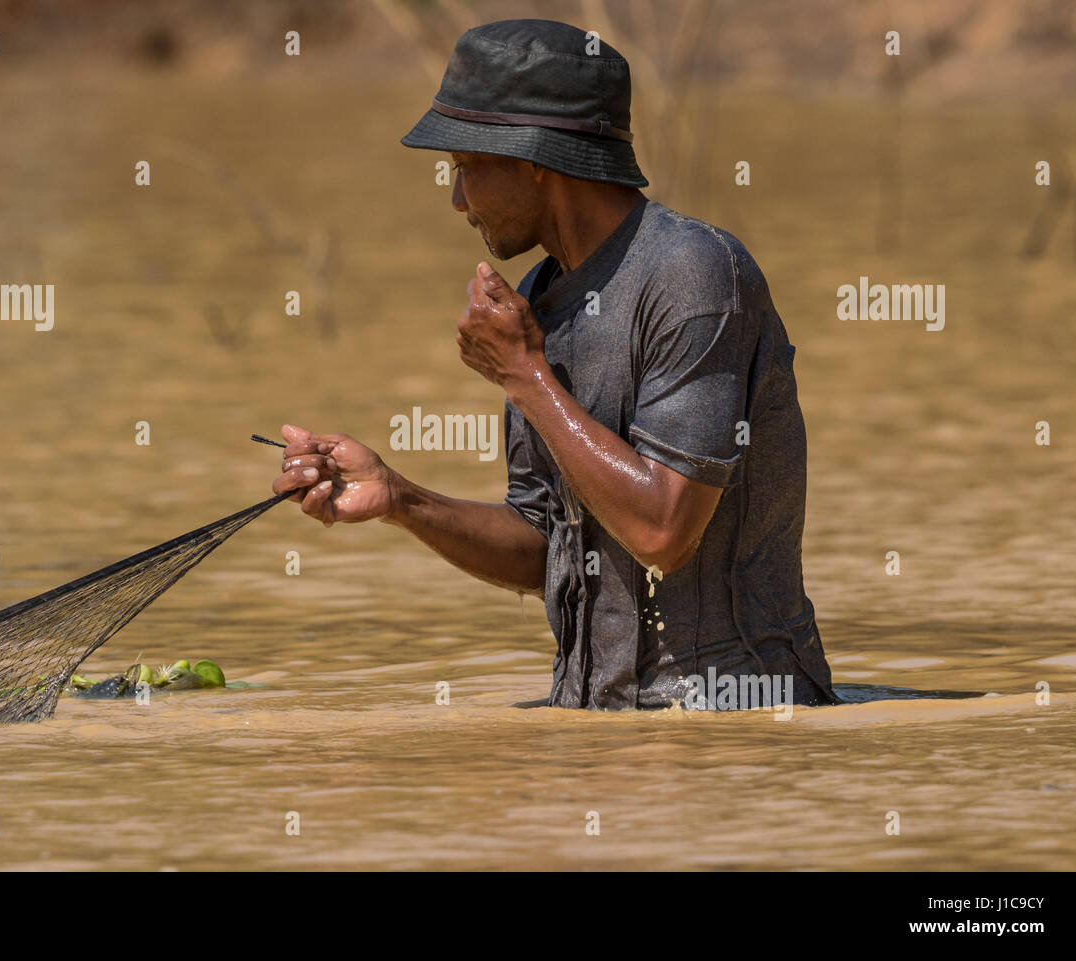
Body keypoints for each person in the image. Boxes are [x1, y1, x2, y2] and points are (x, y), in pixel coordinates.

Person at [272, 19, 838, 710]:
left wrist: (526, 376)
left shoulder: (695, 275)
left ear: (536, 159)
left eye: (467, 168)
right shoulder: (540, 301)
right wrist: (401, 499)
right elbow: (550, 550)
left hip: (732, 724)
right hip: (599, 723)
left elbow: (664, 532)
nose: (457, 200)